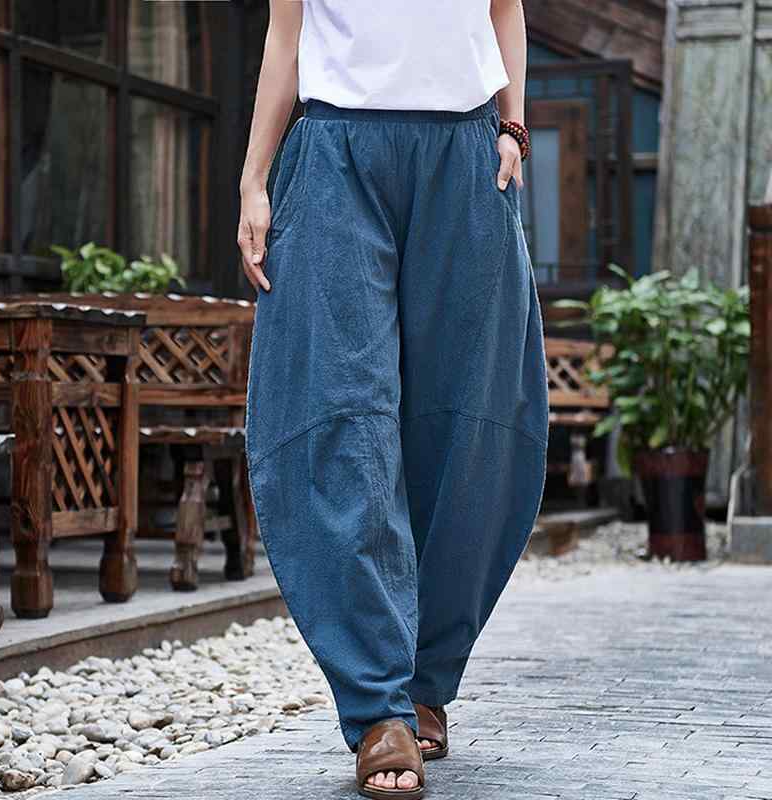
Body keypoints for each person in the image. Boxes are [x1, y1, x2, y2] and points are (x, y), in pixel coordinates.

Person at [238, 1, 548, 797]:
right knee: (343, 415)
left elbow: (505, 9)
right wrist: (254, 179)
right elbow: (286, 33)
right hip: (336, 151)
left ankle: (425, 680)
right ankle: (379, 707)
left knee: (469, 422)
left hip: (467, 154)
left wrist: (513, 127)